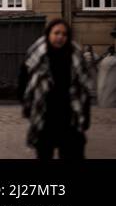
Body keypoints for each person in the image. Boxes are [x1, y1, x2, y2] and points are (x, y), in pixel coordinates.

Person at [18, 19, 93, 160]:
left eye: (64, 34)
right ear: (48, 34)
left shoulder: (76, 54)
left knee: (73, 153)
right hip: (46, 114)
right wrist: (27, 106)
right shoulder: (36, 53)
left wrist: (86, 115)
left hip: (70, 115)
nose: (60, 37)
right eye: (56, 33)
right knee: (44, 153)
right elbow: (23, 83)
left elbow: (84, 88)